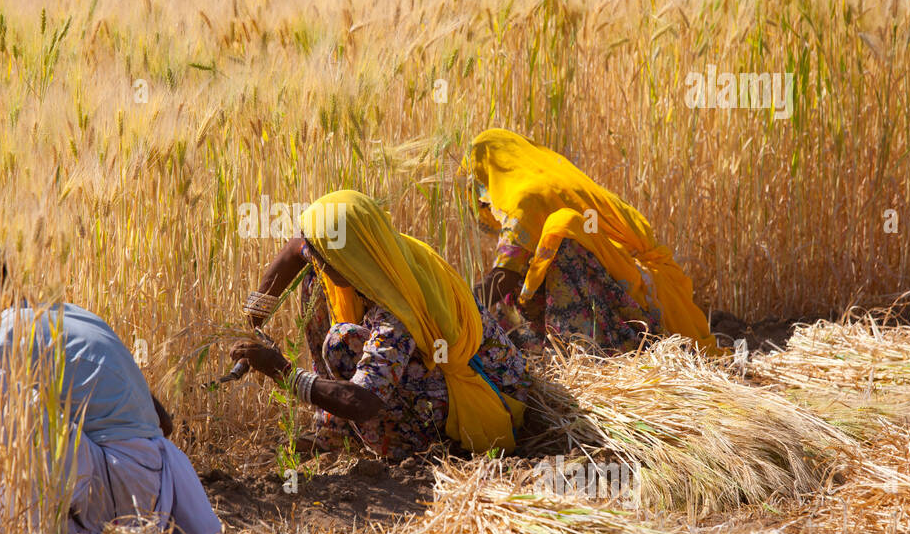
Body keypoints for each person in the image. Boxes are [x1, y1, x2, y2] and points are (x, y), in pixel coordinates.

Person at [0, 231, 221, 534]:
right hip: (156, 494)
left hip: (111, 497)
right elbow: (163, 422)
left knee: (3, 413)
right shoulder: (72, 316)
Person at [230, 190, 529, 460]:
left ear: (347, 259)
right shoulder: (372, 252)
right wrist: (252, 322)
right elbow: (297, 249)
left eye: (323, 256)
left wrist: (283, 372)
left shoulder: (397, 309)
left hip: (483, 398)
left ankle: (408, 450)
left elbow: (364, 402)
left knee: (341, 343)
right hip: (430, 368)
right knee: (314, 282)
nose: (315, 258)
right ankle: (334, 430)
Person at [463, 128, 722, 356]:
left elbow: (503, 277)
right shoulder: (554, 183)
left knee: (555, 243)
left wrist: (459, 306)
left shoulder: (524, 200)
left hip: (624, 308)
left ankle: (589, 349)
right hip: (640, 286)